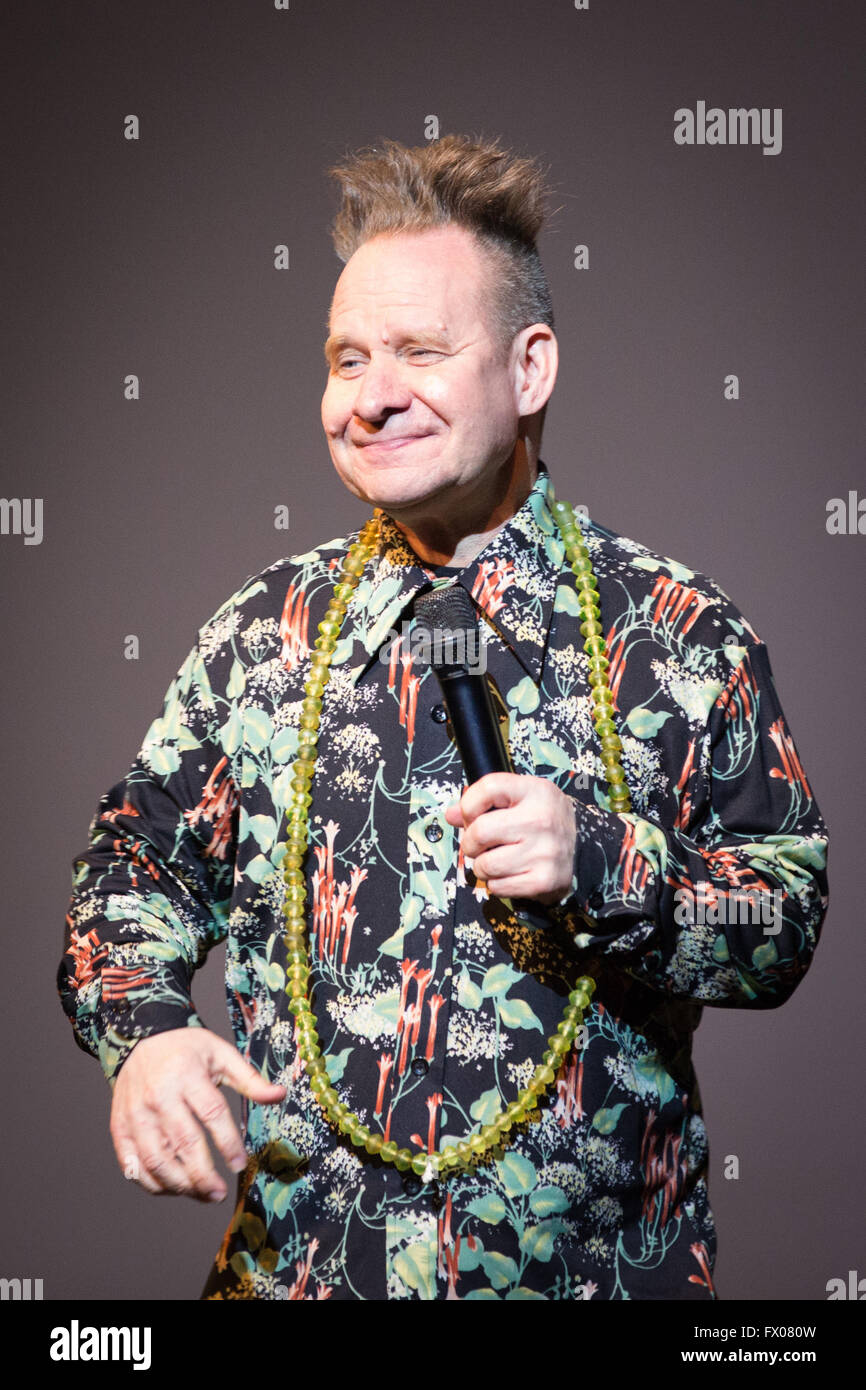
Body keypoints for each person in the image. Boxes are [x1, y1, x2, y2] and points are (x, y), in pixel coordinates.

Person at [58, 134, 829, 1301]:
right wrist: (146, 1030)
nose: (369, 396)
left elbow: (784, 912)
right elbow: (131, 865)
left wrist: (602, 860)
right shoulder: (261, 634)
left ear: (528, 370)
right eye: (346, 357)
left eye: (419, 350)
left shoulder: (676, 630)